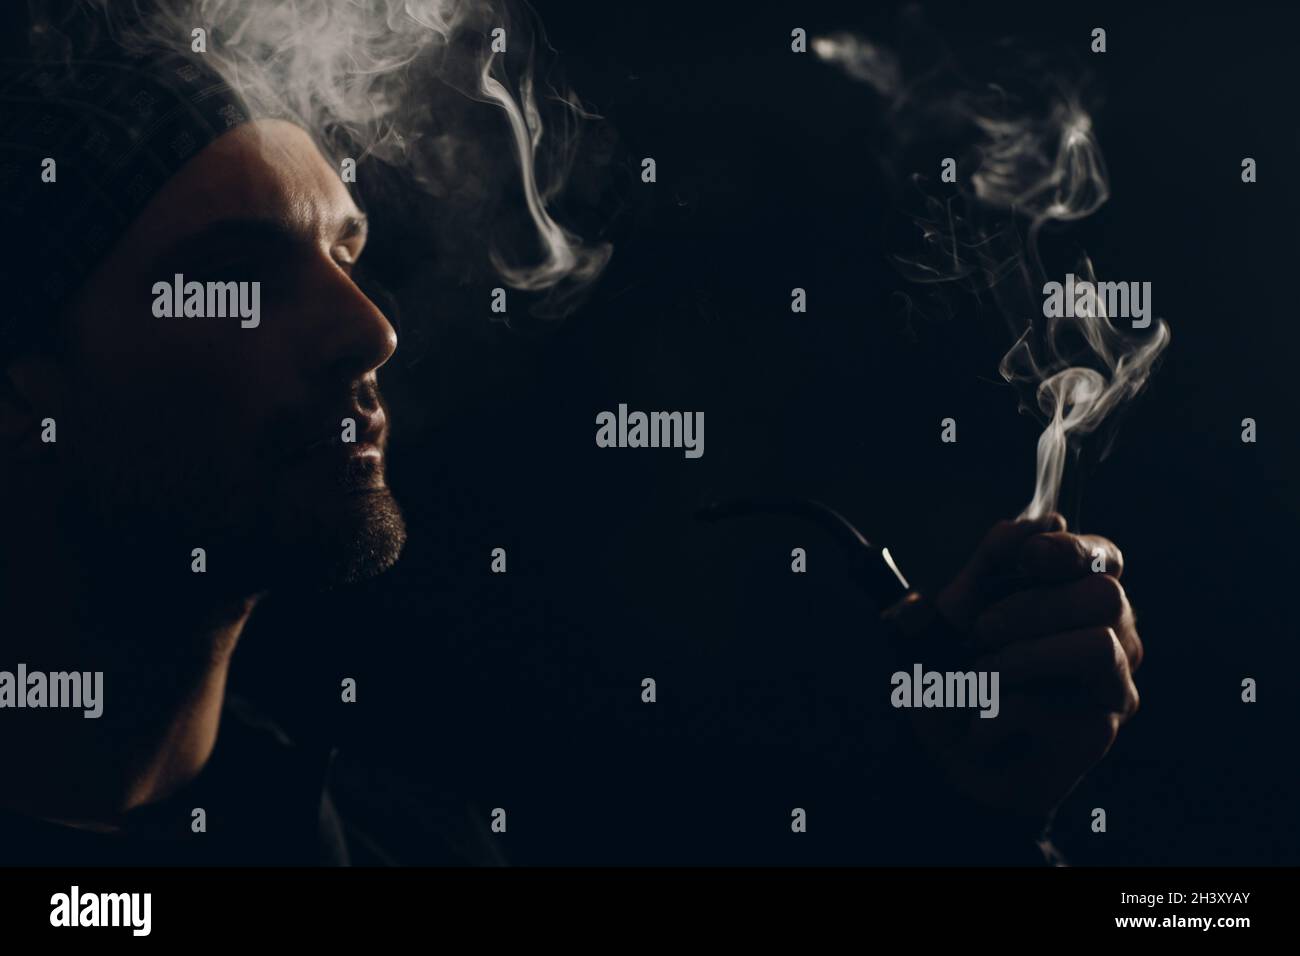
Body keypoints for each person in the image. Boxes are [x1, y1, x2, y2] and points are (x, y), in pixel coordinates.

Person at [0, 6, 1141, 866]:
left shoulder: (408, 844)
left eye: (344, 254)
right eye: (239, 277)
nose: (371, 330)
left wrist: (965, 813)